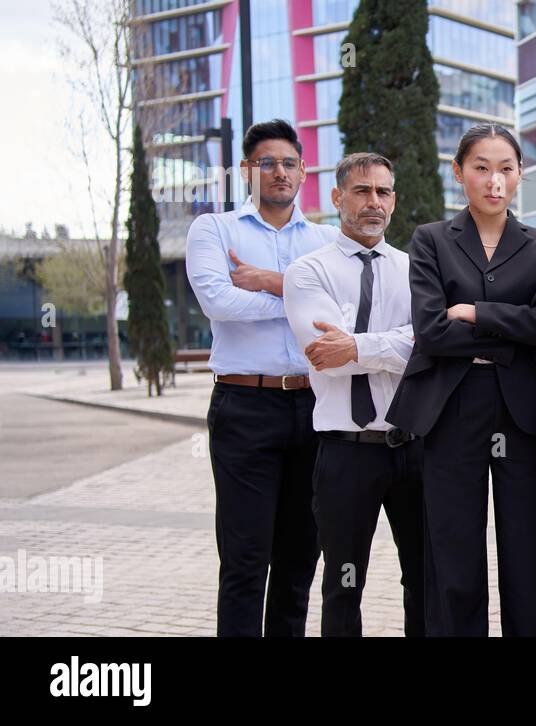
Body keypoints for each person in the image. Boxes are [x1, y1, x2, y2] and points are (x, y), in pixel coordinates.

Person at [387, 124, 536, 637]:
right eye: (481, 168)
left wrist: (474, 312)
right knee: (453, 546)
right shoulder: (430, 240)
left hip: (521, 409)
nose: (494, 181)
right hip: (452, 404)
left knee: (527, 546)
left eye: (506, 169)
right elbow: (431, 331)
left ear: (519, 174)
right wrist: (511, 326)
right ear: (459, 172)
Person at [185, 119, 334, 636]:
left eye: (289, 163)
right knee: (246, 562)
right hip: (245, 407)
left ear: (303, 172)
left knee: (299, 563)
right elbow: (219, 302)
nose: (279, 172)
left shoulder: (327, 238)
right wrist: (301, 295)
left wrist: (271, 283)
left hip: (316, 409)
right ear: (247, 169)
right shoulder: (214, 229)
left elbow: (347, 309)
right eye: (267, 162)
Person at [281, 152, 423, 637]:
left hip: (413, 449)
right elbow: (324, 353)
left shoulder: (414, 269)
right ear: (338, 197)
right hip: (346, 453)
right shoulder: (307, 272)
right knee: (344, 585)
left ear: (394, 201)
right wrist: (396, 343)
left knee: (425, 579)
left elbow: (427, 348)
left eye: (383, 192)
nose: (373, 202)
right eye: (362, 191)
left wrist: (358, 345)